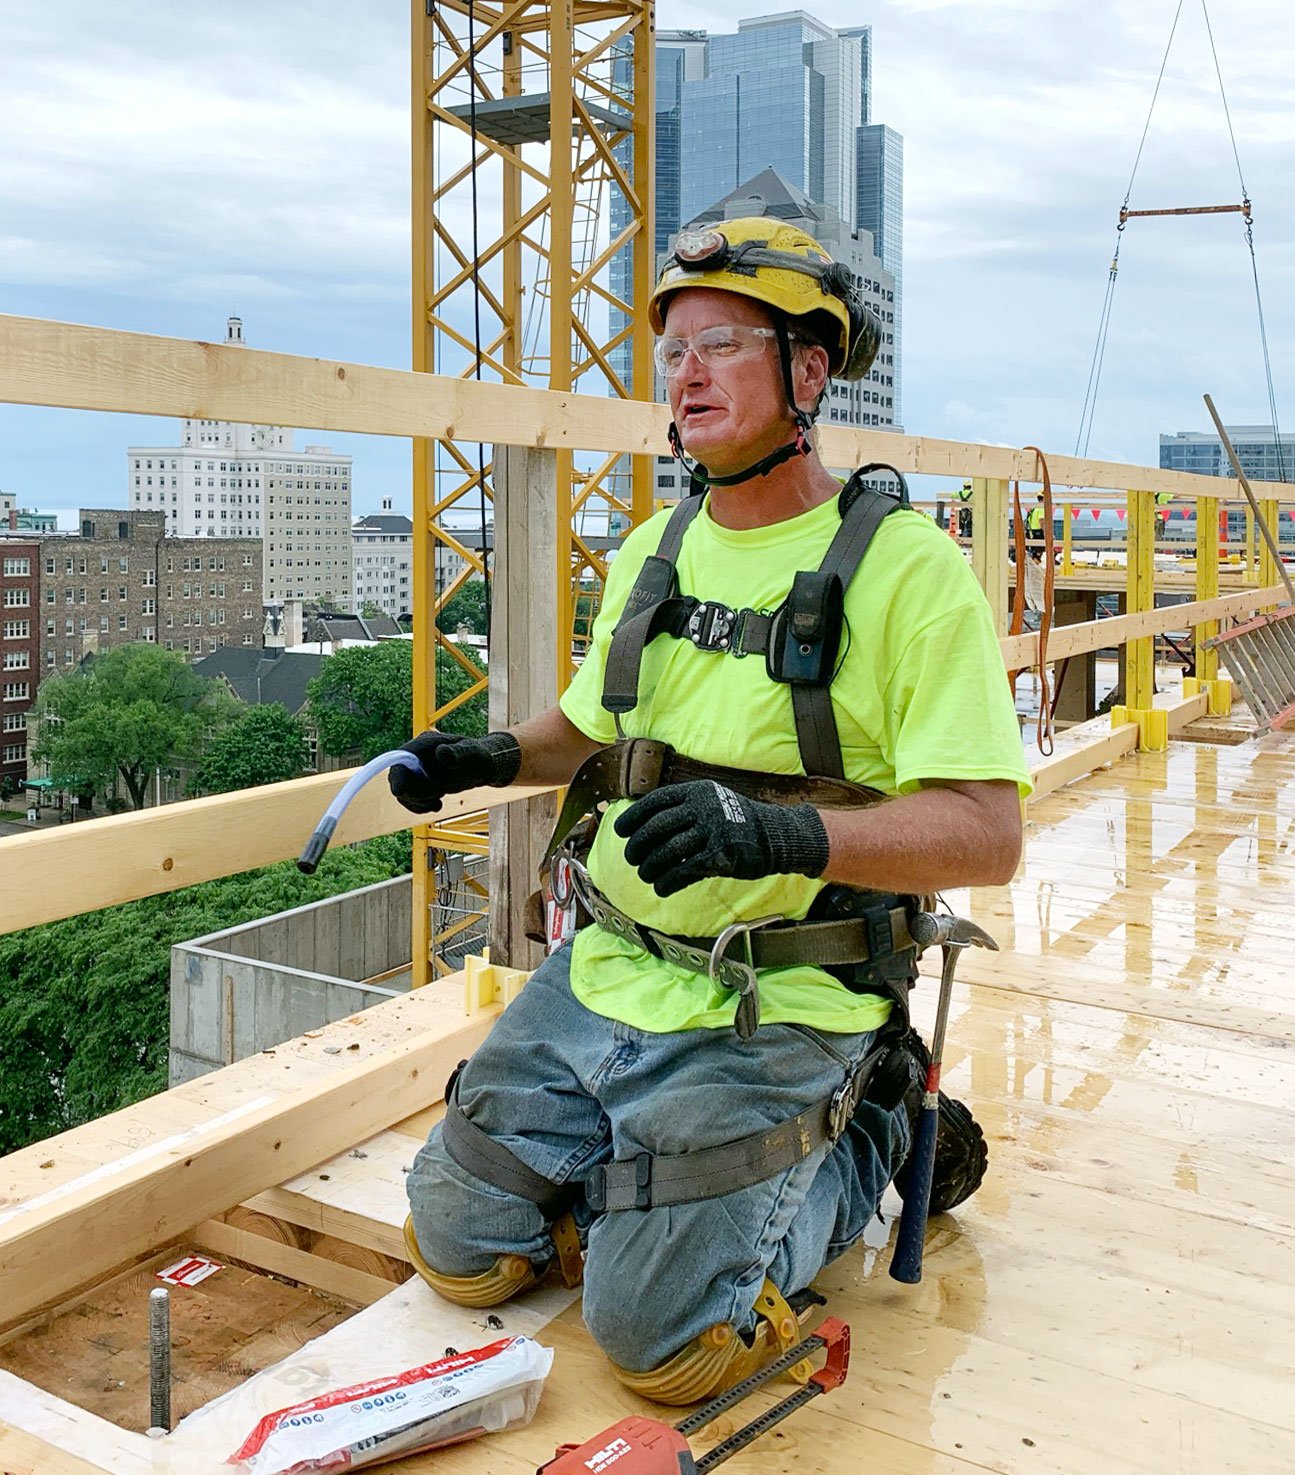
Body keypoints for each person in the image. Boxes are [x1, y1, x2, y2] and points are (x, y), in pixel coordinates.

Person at [388, 217, 1030, 1406]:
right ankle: (649, 1167)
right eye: (674, 351)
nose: (686, 374)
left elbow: (988, 832)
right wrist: (491, 755)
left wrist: (784, 835)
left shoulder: (907, 570)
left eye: (724, 344)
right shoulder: (659, 546)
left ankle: (877, 1129)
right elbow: (588, 727)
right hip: (610, 969)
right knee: (461, 1251)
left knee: (668, 1345)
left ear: (809, 371)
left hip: (776, 999)